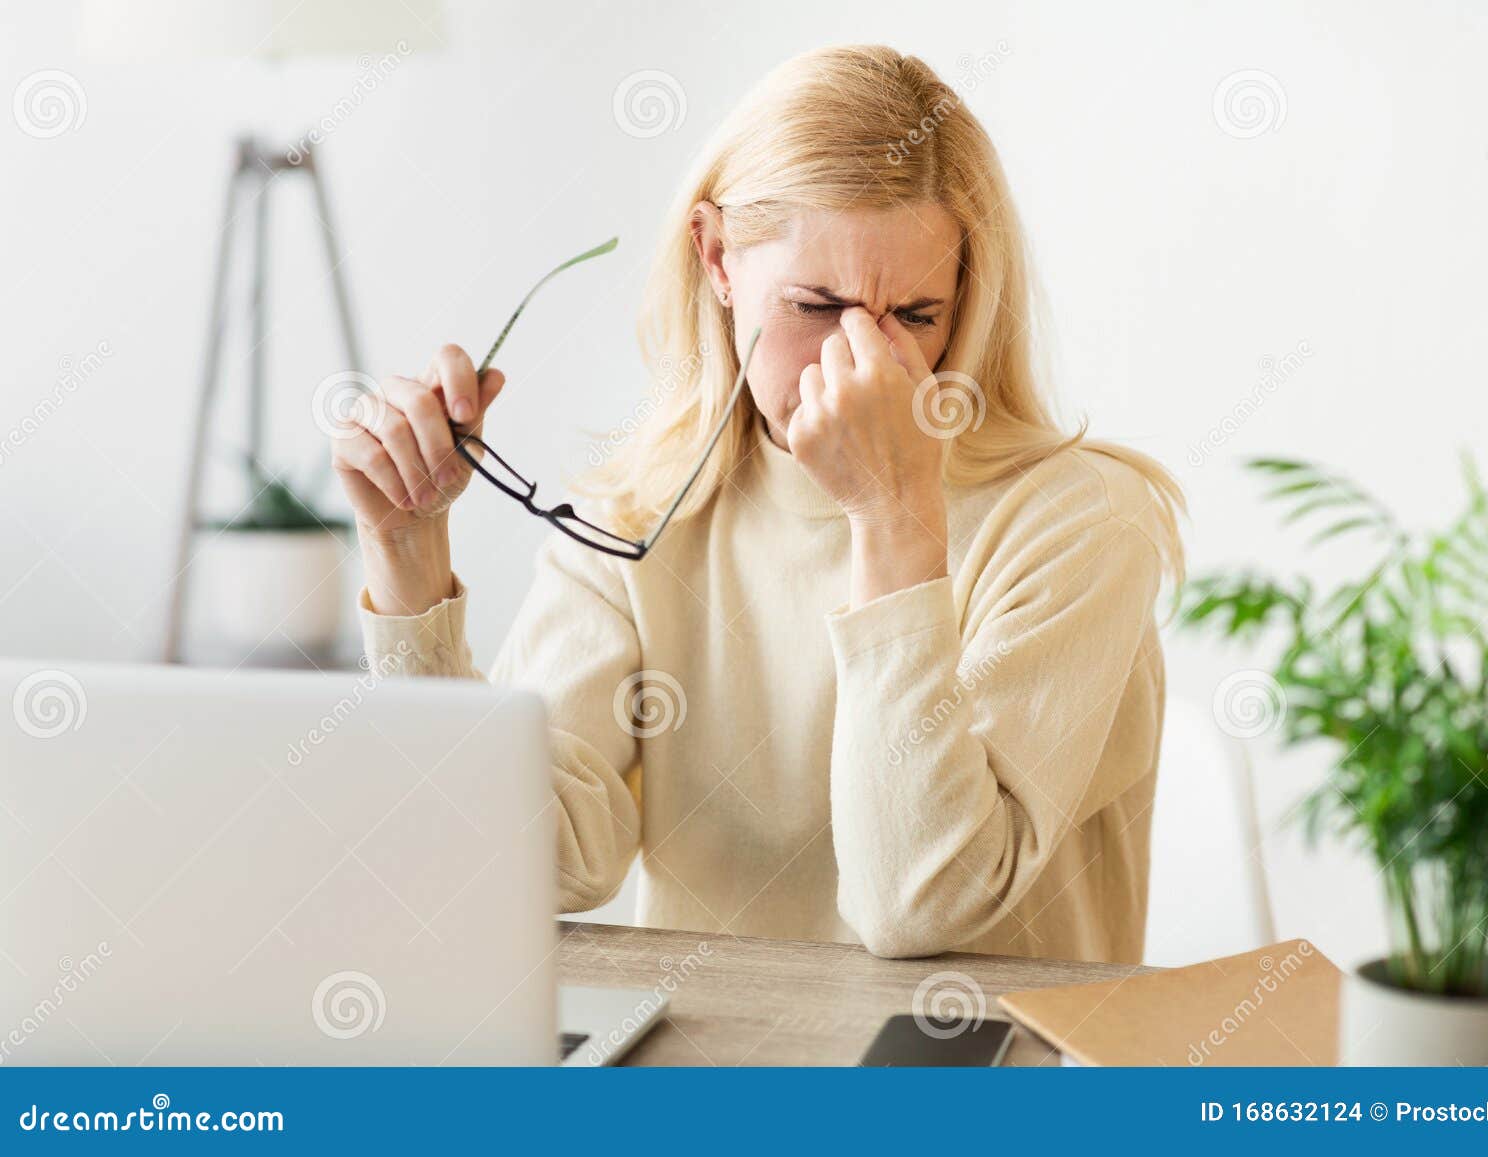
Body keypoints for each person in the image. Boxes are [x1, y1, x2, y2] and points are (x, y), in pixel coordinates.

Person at [332, 45, 1184, 963]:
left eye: (916, 316)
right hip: (712, 1044)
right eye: (815, 305)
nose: (861, 362)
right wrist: (409, 564)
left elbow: (919, 904)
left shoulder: (1081, 522)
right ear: (717, 258)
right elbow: (536, 859)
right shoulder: (638, 514)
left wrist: (893, 516)